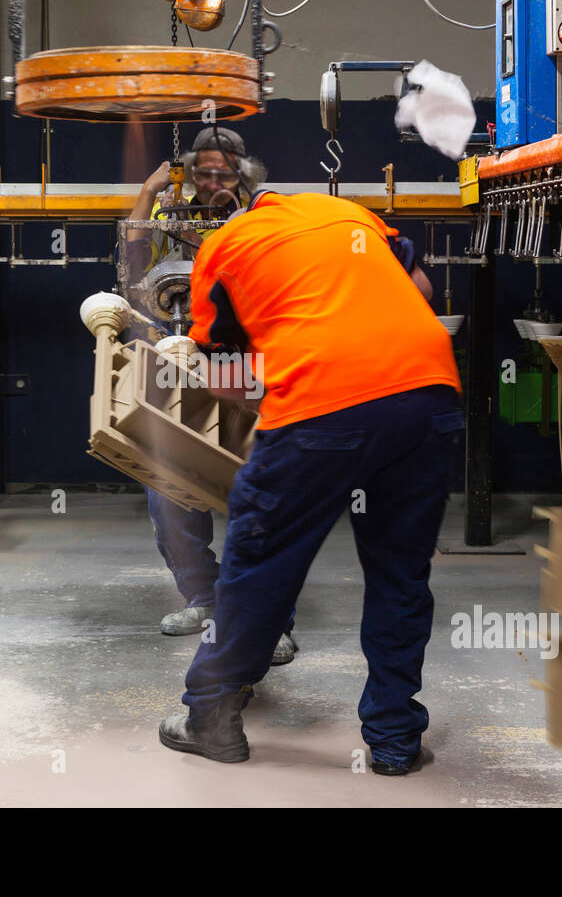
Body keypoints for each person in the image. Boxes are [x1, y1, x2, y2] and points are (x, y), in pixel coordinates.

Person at [157, 190, 463, 776]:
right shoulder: (351, 215)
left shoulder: (224, 244)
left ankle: (211, 718)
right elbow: (420, 292)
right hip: (427, 395)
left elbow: (223, 357)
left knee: (260, 562)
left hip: (322, 408)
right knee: (401, 573)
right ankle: (395, 739)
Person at [122, 129, 297, 666]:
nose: (214, 182)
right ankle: (203, 599)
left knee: (258, 496)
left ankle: (270, 623)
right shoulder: (168, 219)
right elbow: (132, 274)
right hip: (179, 364)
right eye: (205, 171)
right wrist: (150, 193)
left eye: (226, 172)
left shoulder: (261, 219)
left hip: (245, 367)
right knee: (168, 493)